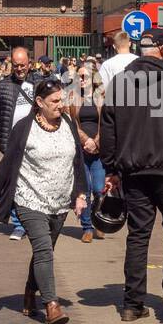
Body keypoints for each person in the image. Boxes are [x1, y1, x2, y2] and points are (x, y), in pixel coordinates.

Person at [100, 27, 163, 322]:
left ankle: (132, 303)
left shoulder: (120, 82)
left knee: (139, 235)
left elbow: (108, 129)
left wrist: (111, 168)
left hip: (133, 170)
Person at [0, 76, 86, 324]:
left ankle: (29, 290)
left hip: (59, 201)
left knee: (44, 252)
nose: (60, 105)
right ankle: (52, 306)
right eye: (55, 101)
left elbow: (77, 162)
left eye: (62, 100)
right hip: (29, 199)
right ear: (39, 102)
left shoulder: (68, 122)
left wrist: (80, 194)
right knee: (44, 249)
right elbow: (7, 164)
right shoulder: (24, 127)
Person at [0, 48, 43, 240]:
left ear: (29, 64)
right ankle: (19, 224)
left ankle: (36, 221)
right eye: (16, 66)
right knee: (15, 184)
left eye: (22, 65)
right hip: (10, 143)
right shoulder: (2, 86)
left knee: (35, 184)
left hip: (37, 141)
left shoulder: (41, 84)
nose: (19, 69)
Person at [69, 63, 106, 243]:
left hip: (99, 149)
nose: (81, 80)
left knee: (100, 189)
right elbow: (72, 124)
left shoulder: (102, 98)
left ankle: (99, 222)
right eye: (79, 77)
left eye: (84, 77)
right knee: (85, 189)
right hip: (81, 148)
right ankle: (87, 227)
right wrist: (86, 141)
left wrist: (96, 142)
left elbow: (107, 123)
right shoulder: (73, 98)